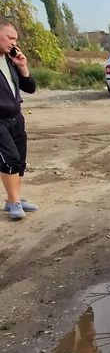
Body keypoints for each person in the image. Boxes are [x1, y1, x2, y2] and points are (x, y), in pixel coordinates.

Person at [0, 16, 38, 221]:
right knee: (9, 159)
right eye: (9, 37)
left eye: (15, 38)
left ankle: (14, 199)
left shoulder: (10, 60)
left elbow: (30, 88)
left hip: (16, 117)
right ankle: (14, 203)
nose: (14, 42)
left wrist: (22, 66)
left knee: (20, 160)